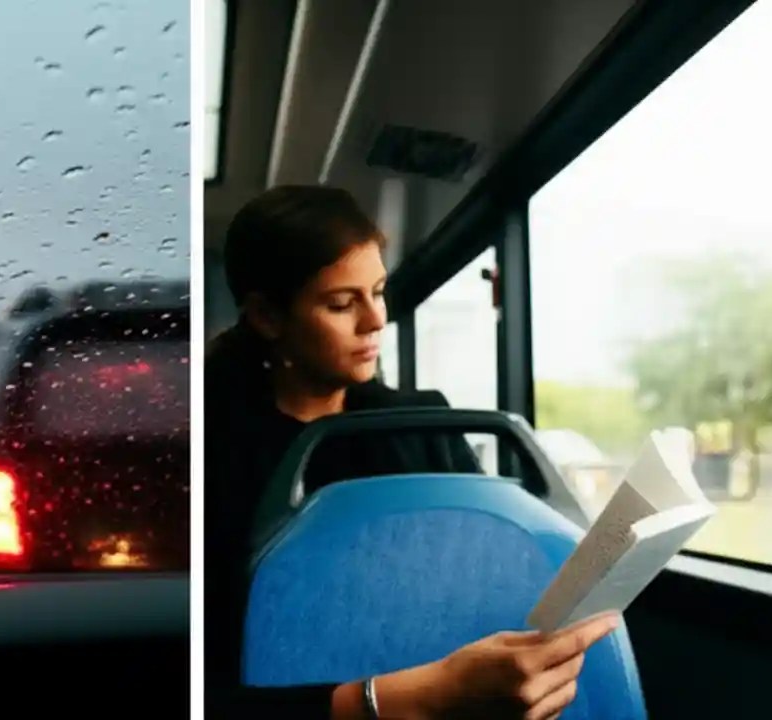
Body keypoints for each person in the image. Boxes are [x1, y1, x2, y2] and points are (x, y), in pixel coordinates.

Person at [205, 185, 620, 719]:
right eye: (340, 303)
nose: (375, 319)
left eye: (378, 291)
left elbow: (484, 572)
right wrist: (404, 700)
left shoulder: (425, 424)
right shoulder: (209, 451)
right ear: (266, 317)